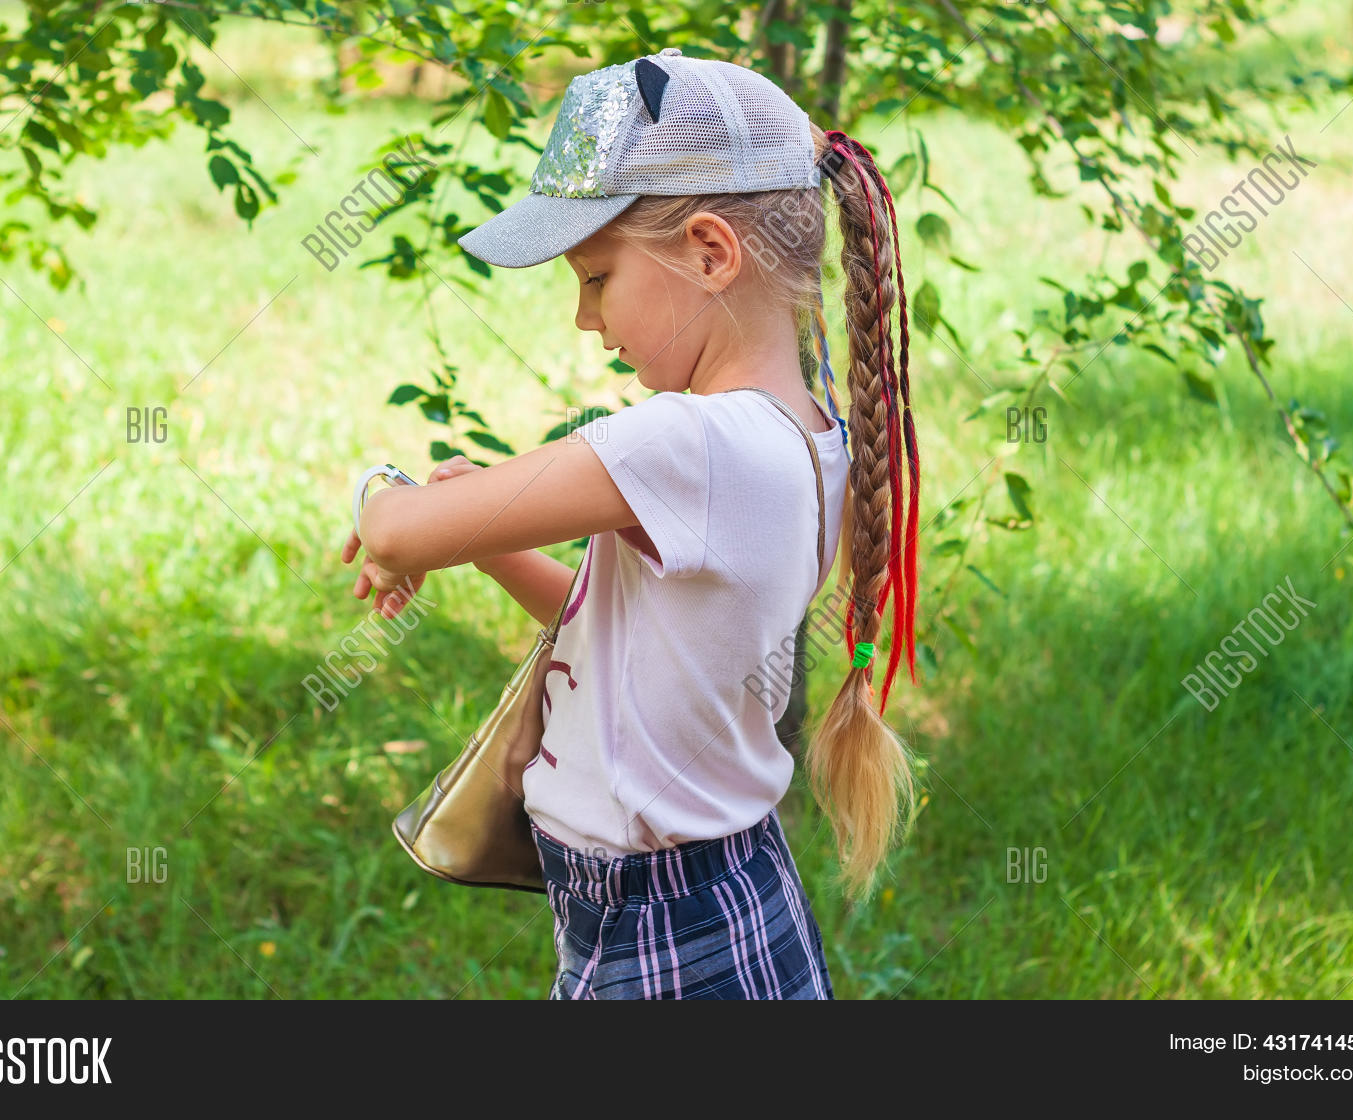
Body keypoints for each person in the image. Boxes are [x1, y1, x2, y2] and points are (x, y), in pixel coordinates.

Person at [343, 47, 922, 999]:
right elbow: (630, 633)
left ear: (710, 252)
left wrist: (382, 490)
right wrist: (485, 543)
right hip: (723, 897)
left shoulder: (686, 442)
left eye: (597, 277)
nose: (584, 317)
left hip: (658, 936)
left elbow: (397, 531)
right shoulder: (808, 434)